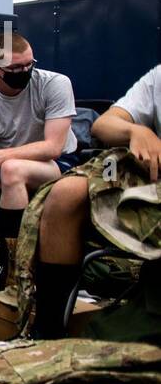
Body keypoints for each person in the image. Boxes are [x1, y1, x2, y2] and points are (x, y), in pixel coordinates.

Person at [32, 64, 161, 337]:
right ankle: (48, 335)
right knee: (66, 193)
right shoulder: (158, 77)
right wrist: (137, 132)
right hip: (153, 186)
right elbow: (103, 125)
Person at [0, 32, 77, 262]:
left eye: (29, 65)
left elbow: (53, 147)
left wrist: (1, 156)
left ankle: (16, 263)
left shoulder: (55, 84)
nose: (24, 72)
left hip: (61, 165)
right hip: (9, 168)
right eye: (15, 68)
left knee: (12, 169)